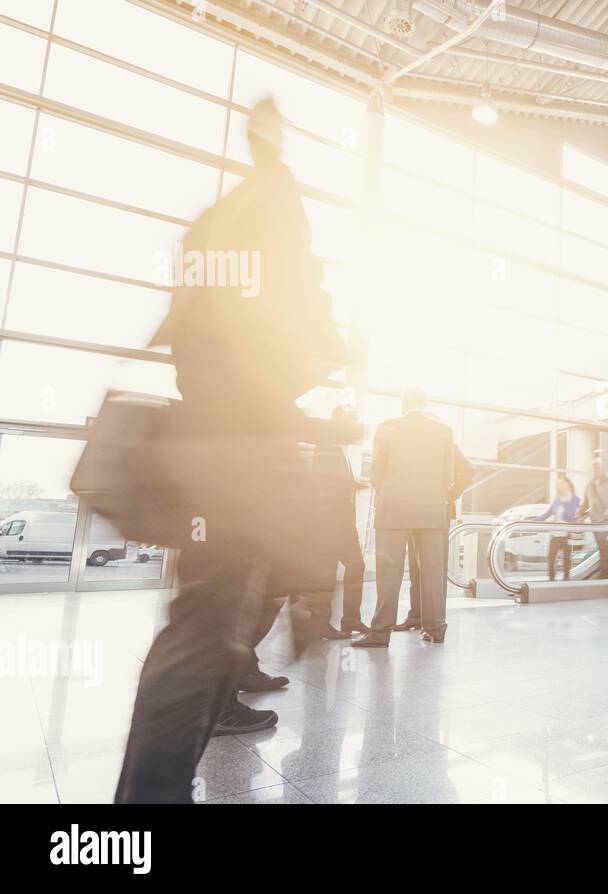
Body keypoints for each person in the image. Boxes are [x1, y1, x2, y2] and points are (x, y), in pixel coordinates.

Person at [115, 99, 352, 802]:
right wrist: (328, 349)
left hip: (214, 440)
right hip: (240, 451)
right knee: (206, 620)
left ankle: (194, 735)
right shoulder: (271, 209)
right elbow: (298, 317)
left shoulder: (211, 233)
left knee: (217, 608)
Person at [356, 387, 474, 648]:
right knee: (433, 570)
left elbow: (376, 472)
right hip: (432, 509)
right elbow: (448, 473)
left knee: (389, 571)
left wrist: (390, 493)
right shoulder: (444, 431)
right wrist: (442, 496)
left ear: (403, 403)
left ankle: (380, 633)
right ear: (425, 402)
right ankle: (435, 628)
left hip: (394, 508)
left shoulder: (387, 427)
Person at [302, 405, 368, 640]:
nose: (354, 424)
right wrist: (355, 485)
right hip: (331, 520)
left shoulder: (337, 446)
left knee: (346, 567)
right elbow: (326, 482)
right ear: (337, 420)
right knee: (332, 569)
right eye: (350, 419)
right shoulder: (326, 445)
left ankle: (344, 619)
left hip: (340, 519)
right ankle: (324, 622)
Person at [580, 459, 608, 578]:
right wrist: (580, 514)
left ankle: (605, 571)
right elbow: (585, 503)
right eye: (593, 468)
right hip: (595, 521)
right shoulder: (589, 485)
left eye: (597, 467)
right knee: (601, 543)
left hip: (607, 519)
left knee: (602, 543)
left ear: (602, 469)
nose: (595, 470)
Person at [536, 475, 580, 581]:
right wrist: (533, 521)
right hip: (555, 534)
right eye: (557, 484)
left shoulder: (575, 500)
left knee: (566, 560)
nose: (559, 486)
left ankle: (566, 581)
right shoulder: (557, 500)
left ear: (567, 484)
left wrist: (564, 507)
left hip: (566, 535)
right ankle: (551, 581)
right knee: (551, 560)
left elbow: (574, 517)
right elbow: (547, 514)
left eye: (561, 483)